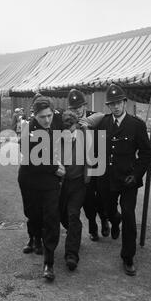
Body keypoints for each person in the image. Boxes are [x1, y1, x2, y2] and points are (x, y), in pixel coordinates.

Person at [93, 84, 151, 276]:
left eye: (118, 102)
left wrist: (135, 175)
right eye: (112, 104)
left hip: (128, 180)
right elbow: (97, 151)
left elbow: (145, 154)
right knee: (109, 211)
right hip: (107, 179)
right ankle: (114, 220)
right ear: (108, 106)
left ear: (125, 102)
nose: (116, 106)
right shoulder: (103, 123)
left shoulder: (137, 125)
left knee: (128, 213)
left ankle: (128, 257)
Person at [18, 94, 65, 281]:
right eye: (42, 117)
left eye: (49, 115)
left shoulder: (56, 124)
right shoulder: (26, 130)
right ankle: (34, 238)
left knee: (52, 219)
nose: (47, 120)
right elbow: (30, 160)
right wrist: (55, 167)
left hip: (50, 183)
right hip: (30, 180)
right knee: (33, 214)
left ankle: (49, 262)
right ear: (34, 116)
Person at [67, 89, 110, 241]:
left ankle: (104, 219)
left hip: (97, 163)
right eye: (73, 108)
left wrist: (88, 122)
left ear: (84, 106)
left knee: (102, 198)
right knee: (88, 200)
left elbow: (104, 115)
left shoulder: (93, 116)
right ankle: (93, 226)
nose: (77, 110)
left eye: (79, 107)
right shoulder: (69, 121)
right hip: (81, 168)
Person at [59, 110, 90, 271]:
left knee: (73, 214)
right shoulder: (57, 139)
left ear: (76, 125)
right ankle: (74, 232)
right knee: (63, 215)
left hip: (78, 184)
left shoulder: (85, 137)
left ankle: (71, 254)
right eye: (65, 128)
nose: (68, 132)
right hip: (62, 184)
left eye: (71, 128)